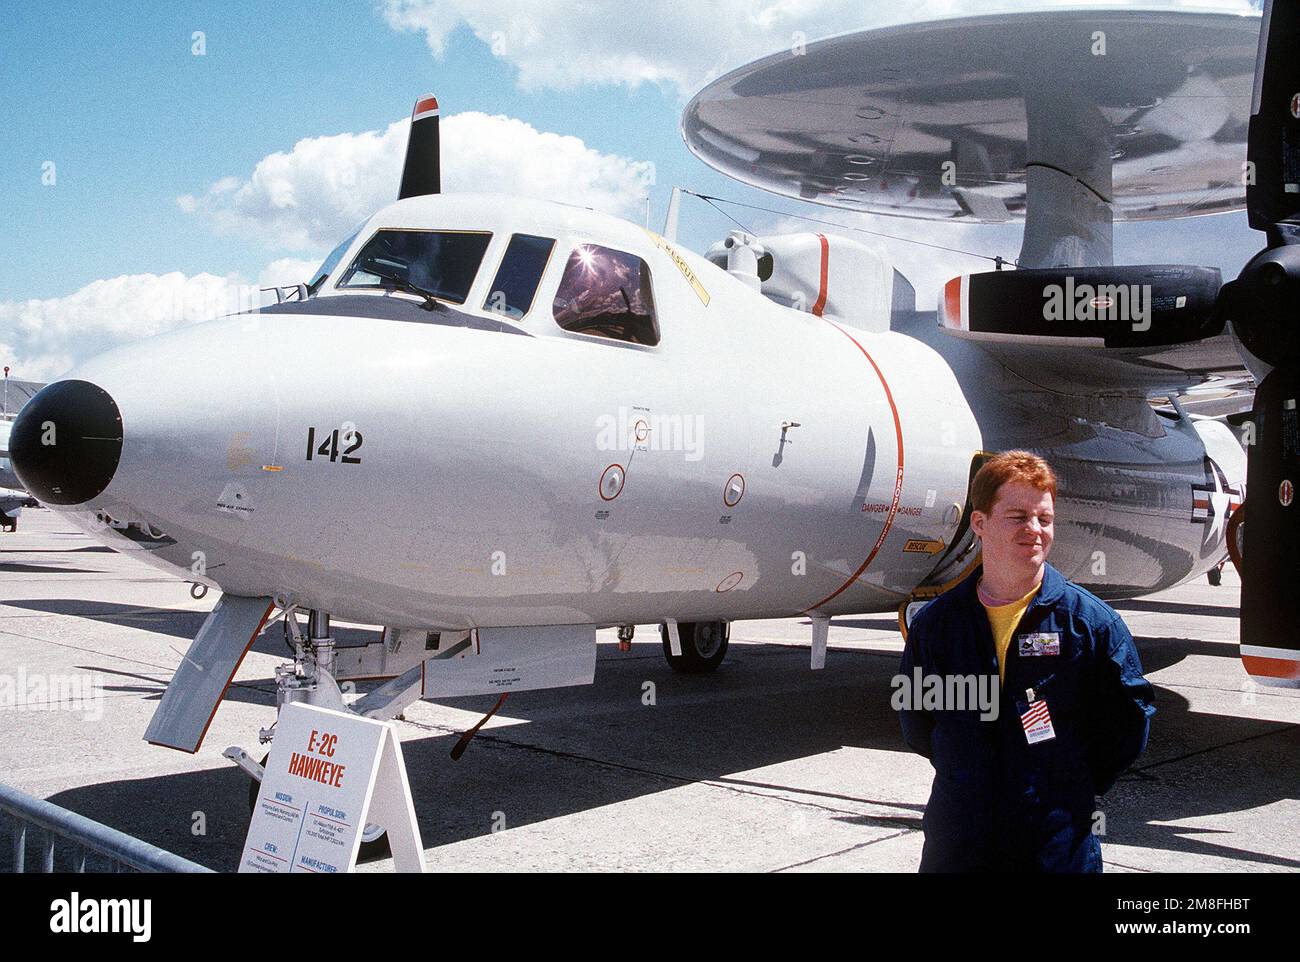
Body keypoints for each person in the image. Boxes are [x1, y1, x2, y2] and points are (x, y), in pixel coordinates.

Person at [899, 450, 1155, 872]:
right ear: (979, 524)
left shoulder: (1089, 624)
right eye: (1018, 517)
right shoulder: (938, 626)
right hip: (958, 841)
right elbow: (918, 721)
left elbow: (1127, 724)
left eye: (1044, 518)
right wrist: (969, 768)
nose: (1034, 530)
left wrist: (1061, 782)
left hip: (1054, 846)